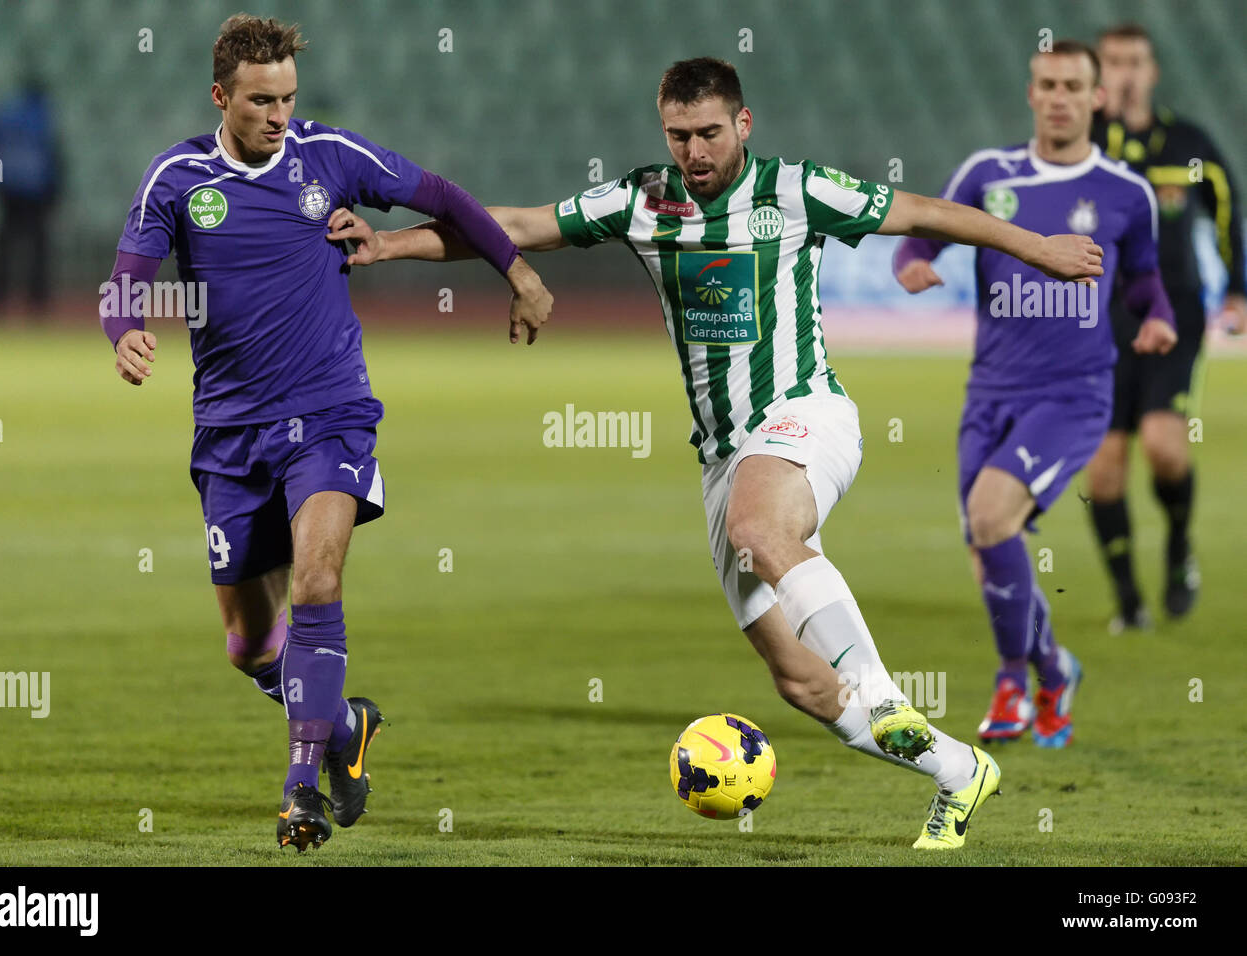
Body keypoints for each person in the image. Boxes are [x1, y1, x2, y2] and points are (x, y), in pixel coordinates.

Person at [335, 57, 1107, 849]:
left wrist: (1033, 248)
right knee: (800, 680)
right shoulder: (643, 199)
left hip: (807, 414)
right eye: (678, 136)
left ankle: (878, 690)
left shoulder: (797, 191)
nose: (693, 151)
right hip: (723, 455)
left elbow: (921, 213)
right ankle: (957, 770)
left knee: (763, 532)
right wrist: (388, 244)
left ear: (743, 124)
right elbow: (520, 225)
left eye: (708, 132)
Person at [101, 15, 554, 852]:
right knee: (247, 645)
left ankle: (300, 790)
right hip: (229, 434)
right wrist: (124, 326)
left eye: (287, 99)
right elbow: (126, 276)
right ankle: (342, 725)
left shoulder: (331, 155)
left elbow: (446, 198)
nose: (278, 115)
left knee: (318, 579)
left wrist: (519, 273)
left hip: (330, 414)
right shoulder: (178, 176)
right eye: (261, 101)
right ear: (220, 97)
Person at [893, 41, 1176, 748]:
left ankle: (1013, 681)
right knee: (988, 544)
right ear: (1031, 94)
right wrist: (914, 262)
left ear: (1096, 98)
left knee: (991, 516)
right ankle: (1056, 669)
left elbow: (1142, 278)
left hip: (1075, 394)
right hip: (989, 391)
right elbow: (920, 228)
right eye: (1046, 84)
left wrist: (1160, 317)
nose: (1058, 96)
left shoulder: (1125, 191)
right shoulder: (988, 174)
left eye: (1072, 86)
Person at [1087, 22, 1247, 631]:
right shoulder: (1084, 146)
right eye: (1115, 62)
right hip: (1100, 319)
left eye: (1136, 61)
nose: (1126, 72)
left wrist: (1237, 290)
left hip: (1174, 313)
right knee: (1103, 468)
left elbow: (1229, 210)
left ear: (1153, 71)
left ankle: (1179, 546)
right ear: (1099, 75)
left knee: (1163, 447)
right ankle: (1129, 603)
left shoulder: (1188, 143)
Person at [0, 73, 62, 315]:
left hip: (8, 187)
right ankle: (37, 300)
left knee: (5, 242)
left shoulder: (4, 115)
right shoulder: (41, 116)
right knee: (37, 244)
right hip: (34, 189)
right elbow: (51, 156)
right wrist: (54, 189)